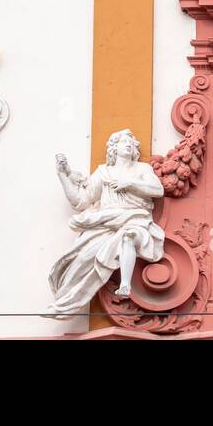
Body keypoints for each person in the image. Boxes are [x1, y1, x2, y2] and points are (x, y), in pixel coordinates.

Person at [45, 129, 165, 318]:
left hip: (135, 219)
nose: (128, 145)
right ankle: (64, 301)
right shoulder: (103, 172)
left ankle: (125, 284)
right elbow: (80, 201)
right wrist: (63, 176)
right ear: (114, 148)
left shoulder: (142, 169)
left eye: (131, 143)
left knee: (128, 237)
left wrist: (130, 183)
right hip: (105, 224)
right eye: (123, 142)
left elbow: (157, 190)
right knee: (82, 258)